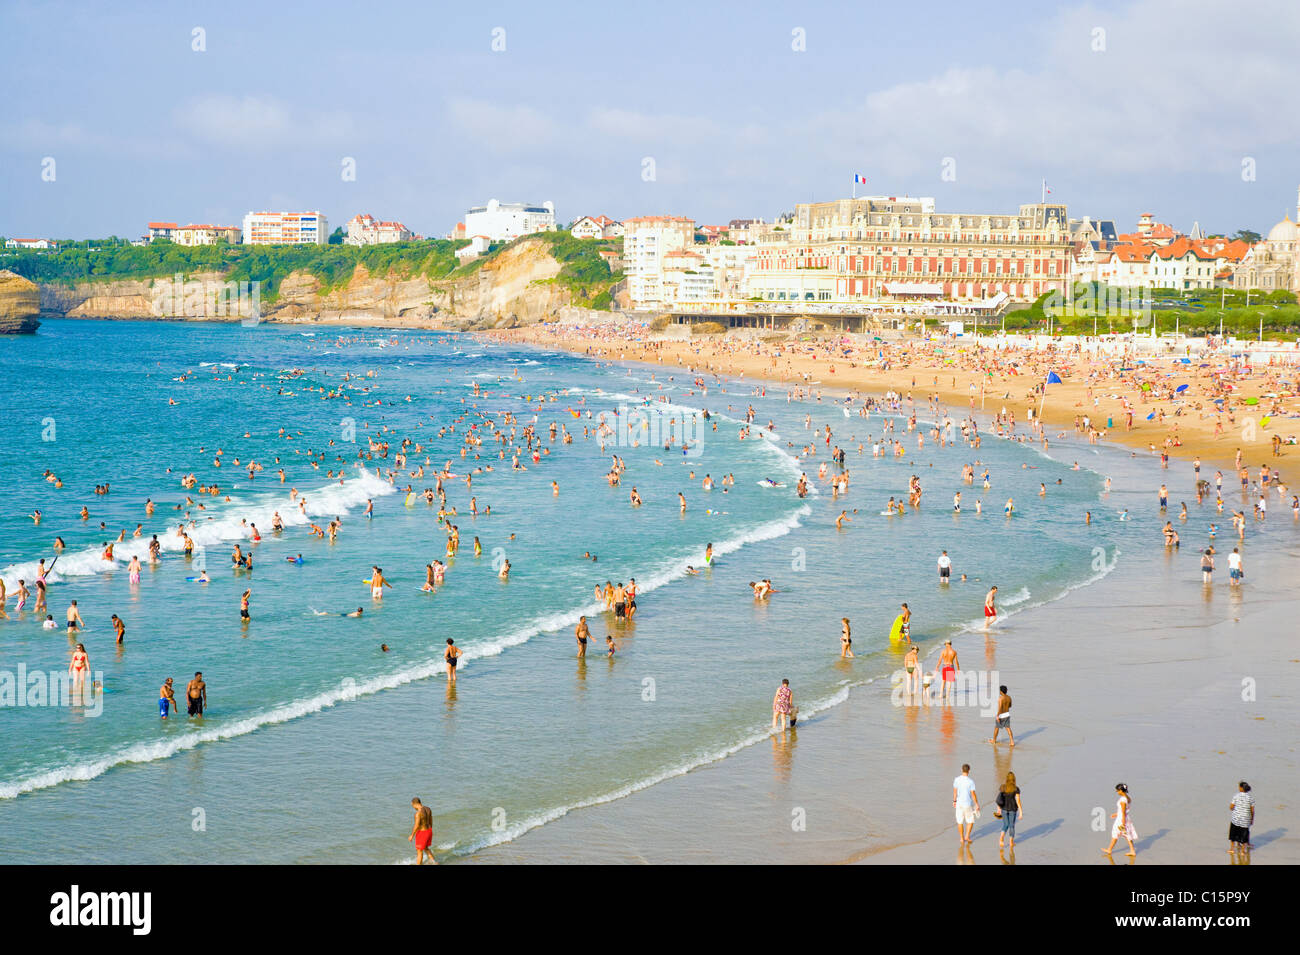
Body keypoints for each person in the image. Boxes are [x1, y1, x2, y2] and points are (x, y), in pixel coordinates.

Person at [1104, 783, 1137, 856]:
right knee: (1126, 834)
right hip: (1126, 818)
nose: (1117, 792)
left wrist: (1123, 823)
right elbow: (1124, 810)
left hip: (1121, 820)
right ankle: (1132, 850)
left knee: (1116, 833)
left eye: (1117, 791)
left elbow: (1123, 812)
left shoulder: (1123, 800)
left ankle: (1109, 849)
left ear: (1121, 790)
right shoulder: (1128, 797)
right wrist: (1116, 814)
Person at [953, 764, 979, 844]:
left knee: (960, 821)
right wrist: (977, 804)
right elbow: (973, 794)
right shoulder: (971, 781)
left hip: (959, 804)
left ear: (962, 770)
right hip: (967, 804)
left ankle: (961, 838)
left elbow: (955, 792)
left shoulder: (957, 779)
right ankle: (967, 836)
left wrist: (954, 801)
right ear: (969, 771)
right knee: (970, 821)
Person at [996, 772, 1023, 849]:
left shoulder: (1003, 787)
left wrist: (998, 808)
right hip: (1013, 809)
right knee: (1012, 826)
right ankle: (1011, 842)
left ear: (1007, 779)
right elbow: (1018, 801)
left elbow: (999, 799)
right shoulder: (1016, 789)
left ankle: (1001, 838)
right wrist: (1020, 812)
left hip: (1004, 809)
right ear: (1014, 779)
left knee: (1005, 824)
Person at [409, 797, 438, 865]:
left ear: (414, 804)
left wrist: (412, 835)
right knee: (426, 848)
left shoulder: (418, 813)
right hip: (429, 830)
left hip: (422, 833)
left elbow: (416, 826)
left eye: (412, 806)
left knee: (419, 851)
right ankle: (434, 862)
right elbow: (431, 820)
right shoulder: (428, 809)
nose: (413, 807)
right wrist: (430, 831)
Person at [1228, 781, 1254, 854]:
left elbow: (1231, 807)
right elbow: (1252, 810)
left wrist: (1235, 809)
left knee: (1233, 834)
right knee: (1244, 834)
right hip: (1245, 819)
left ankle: (1232, 849)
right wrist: (1252, 819)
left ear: (1241, 788)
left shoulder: (1236, 796)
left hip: (1236, 818)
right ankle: (1243, 851)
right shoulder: (1250, 798)